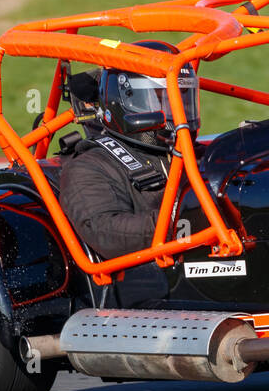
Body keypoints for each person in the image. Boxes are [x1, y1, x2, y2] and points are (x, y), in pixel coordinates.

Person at [59, 42, 200, 261]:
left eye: (181, 99)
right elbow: (106, 233)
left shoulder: (191, 152)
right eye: (162, 99)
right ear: (124, 102)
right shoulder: (89, 166)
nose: (176, 112)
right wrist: (187, 217)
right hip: (151, 285)